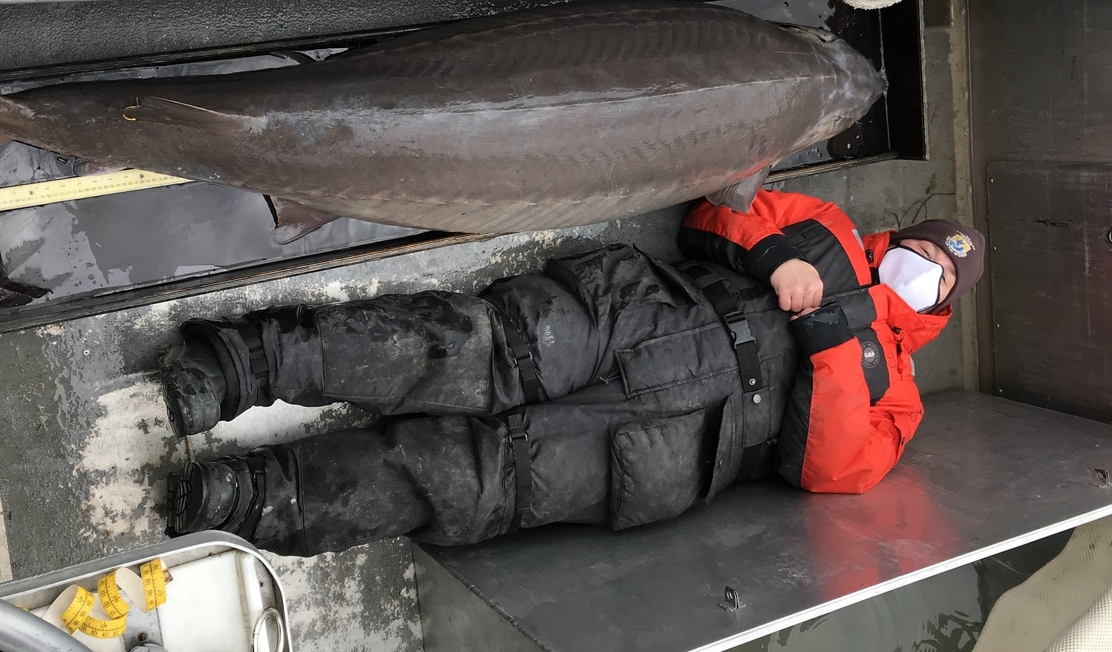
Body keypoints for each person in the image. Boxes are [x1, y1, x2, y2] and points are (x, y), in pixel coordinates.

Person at [157, 189, 985, 557]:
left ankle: (255, 497)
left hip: (670, 445)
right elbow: (718, 210)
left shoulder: (899, 398)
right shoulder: (829, 229)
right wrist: (775, 259)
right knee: (459, 346)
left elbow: (831, 467)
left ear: (942, 306)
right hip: (635, 314)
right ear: (905, 237)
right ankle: (234, 366)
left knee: (473, 482)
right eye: (924, 251)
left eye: (940, 278)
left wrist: (837, 345)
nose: (924, 270)